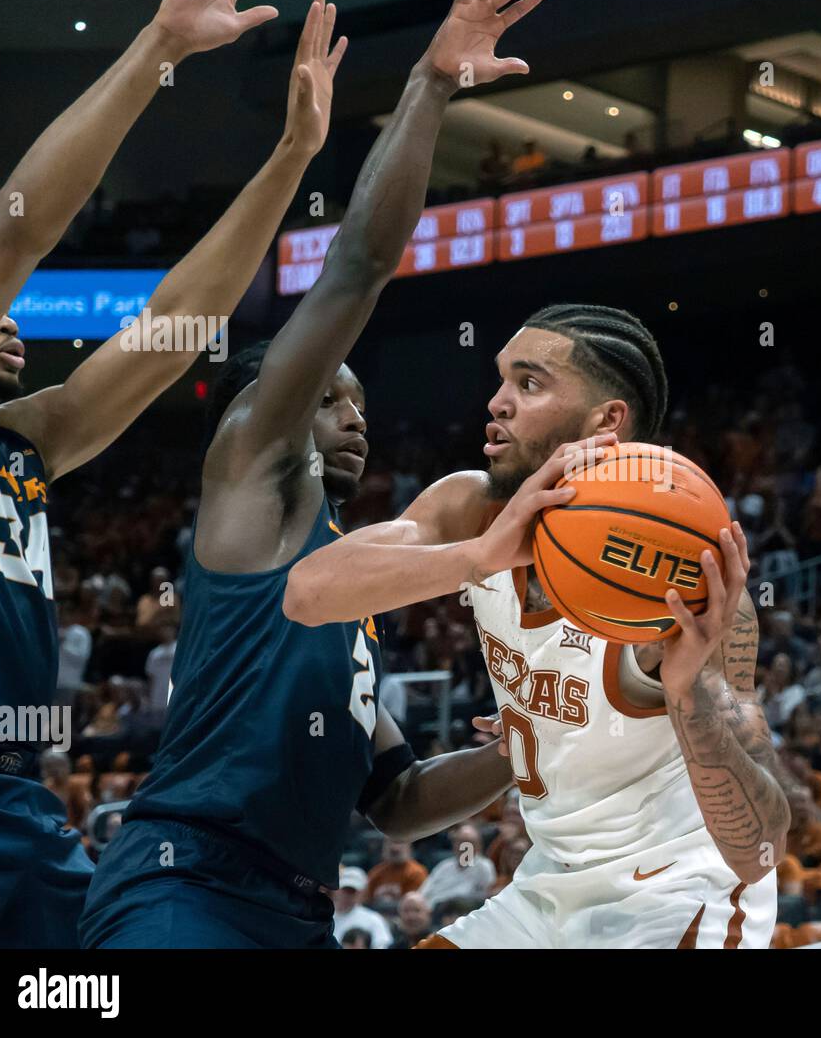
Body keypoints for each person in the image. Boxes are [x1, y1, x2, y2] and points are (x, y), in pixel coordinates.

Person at [81, 0, 548, 949]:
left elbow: (402, 801)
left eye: (363, 407)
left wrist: (525, 751)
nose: (354, 418)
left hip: (300, 910)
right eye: (330, 398)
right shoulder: (252, 468)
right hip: (186, 883)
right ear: (268, 407)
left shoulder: (352, 581)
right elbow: (359, 266)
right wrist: (428, 83)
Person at [284, 303, 789, 948]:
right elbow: (306, 594)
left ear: (606, 422)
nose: (496, 403)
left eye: (529, 383)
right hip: (545, 889)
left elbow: (762, 849)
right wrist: (480, 555)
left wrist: (688, 696)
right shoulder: (472, 508)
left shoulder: (681, 583)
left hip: (679, 893)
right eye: (500, 381)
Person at [0, 0, 291, 950]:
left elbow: (170, 334)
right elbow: (17, 232)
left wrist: (290, 161)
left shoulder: (22, 447)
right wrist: (159, 47)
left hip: (20, 807)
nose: (13, 320)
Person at [332, 867, 394, 949]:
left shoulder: (373, 919)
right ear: (337, 890)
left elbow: (382, 945)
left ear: (362, 893)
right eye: (345, 890)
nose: (347, 895)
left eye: (352, 891)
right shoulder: (325, 917)